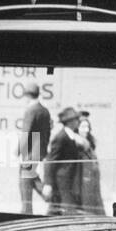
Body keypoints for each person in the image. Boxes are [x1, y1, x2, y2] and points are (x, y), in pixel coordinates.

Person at [43, 106, 88, 214]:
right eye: (76, 119)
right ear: (70, 122)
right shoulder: (61, 137)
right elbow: (51, 161)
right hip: (62, 180)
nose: (78, 121)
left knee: (59, 207)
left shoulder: (71, 135)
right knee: (65, 208)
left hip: (70, 179)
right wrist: (48, 183)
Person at [18, 81, 51, 214]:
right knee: (31, 177)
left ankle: (26, 212)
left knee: (24, 182)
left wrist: (19, 153)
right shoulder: (45, 111)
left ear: (27, 96)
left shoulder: (30, 111)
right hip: (39, 152)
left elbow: (25, 133)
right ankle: (47, 194)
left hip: (29, 153)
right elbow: (47, 133)